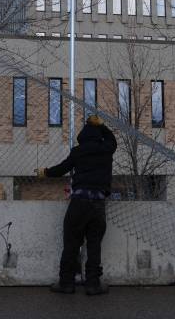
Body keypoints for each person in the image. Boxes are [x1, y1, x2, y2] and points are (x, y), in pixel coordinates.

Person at [36, 114, 117, 296]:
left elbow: (61, 169)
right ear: (98, 136)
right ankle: (93, 285)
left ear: (83, 136)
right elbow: (113, 141)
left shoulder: (77, 151)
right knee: (94, 245)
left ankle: (66, 283)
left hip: (78, 203)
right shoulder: (106, 149)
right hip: (98, 204)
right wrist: (103, 126)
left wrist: (44, 172)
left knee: (71, 243)